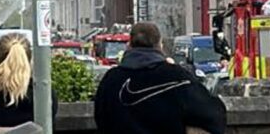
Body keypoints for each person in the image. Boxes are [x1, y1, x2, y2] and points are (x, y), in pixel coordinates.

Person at [94, 22, 226, 134]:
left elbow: (100, 118)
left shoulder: (111, 80)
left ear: (129, 45)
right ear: (160, 45)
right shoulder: (177, 78)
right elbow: (213, 116)